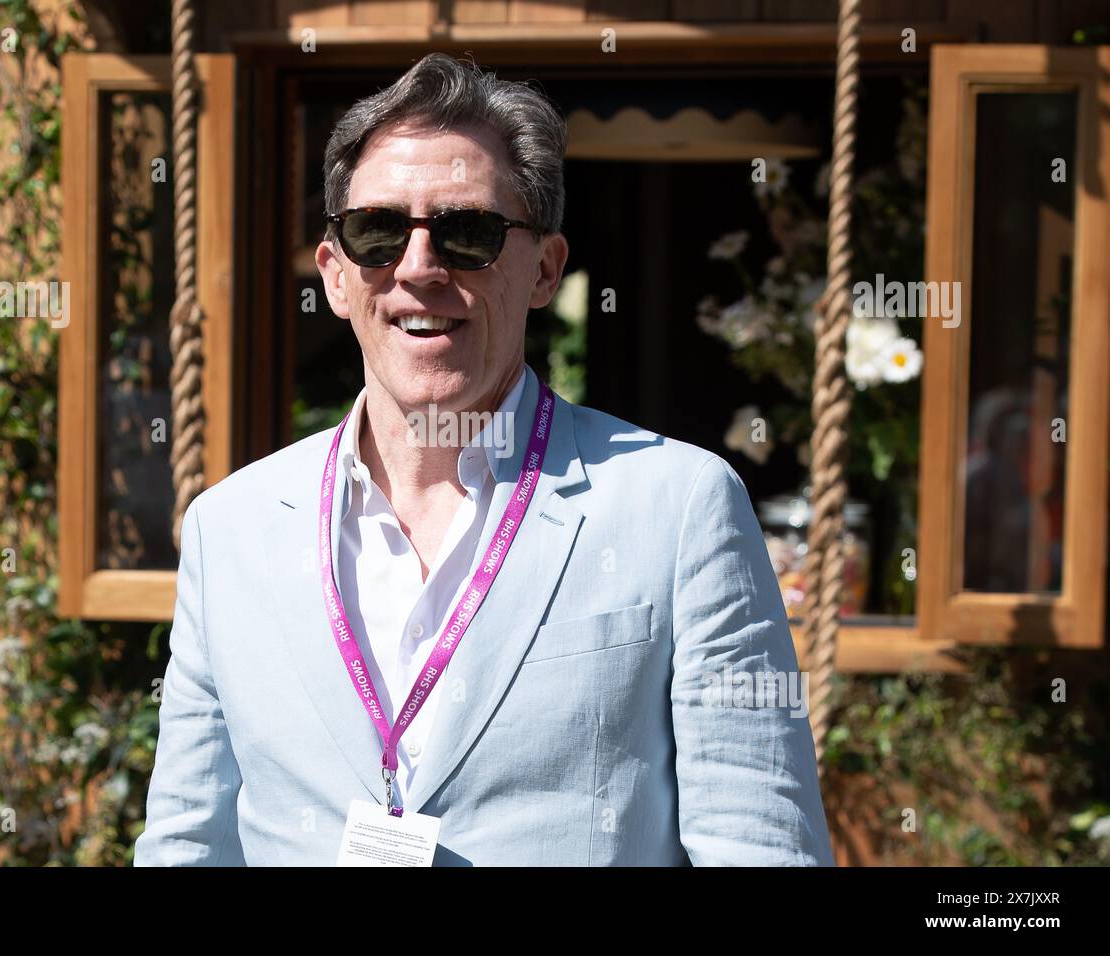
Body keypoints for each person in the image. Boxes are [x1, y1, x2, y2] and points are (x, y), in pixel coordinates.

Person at [134, 53, 834, 866]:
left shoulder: (679, 506)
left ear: (544, 269)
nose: (418, 268)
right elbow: (185, 848)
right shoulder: (231, 528)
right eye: (378, 231)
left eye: (467, 232)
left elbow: (760, 850)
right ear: (334, 273)